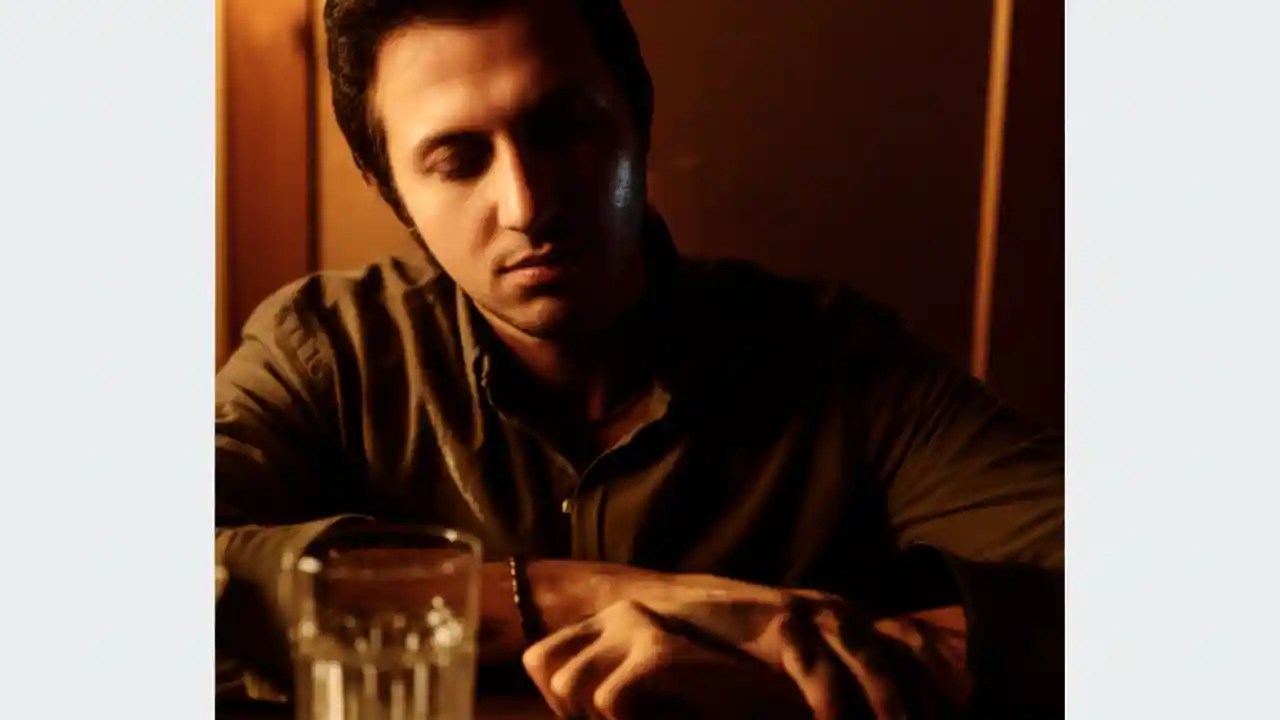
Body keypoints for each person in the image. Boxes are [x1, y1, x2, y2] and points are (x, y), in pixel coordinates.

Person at [215, 0, 1064, 716]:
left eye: (565, 129)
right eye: (457, 160)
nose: (528, 205)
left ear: (637, 115)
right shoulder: (327, 350)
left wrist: (809, 663)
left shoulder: (839, 360)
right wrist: (579, 596)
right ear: (388, 184)